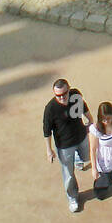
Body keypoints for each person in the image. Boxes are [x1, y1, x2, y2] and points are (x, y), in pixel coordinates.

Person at [43, 79, 93, 214]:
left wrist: (90, 121)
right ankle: (73, 198)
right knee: (69, 174)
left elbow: (84, 108)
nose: (61, 97)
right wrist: (49, 150)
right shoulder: (50, 109)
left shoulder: (76, 95)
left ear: (69, 89)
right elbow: (47, 131)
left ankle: (78, 159)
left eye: (64, 93)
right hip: (65, 147)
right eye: (57, 95)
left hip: (81, 137)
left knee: (87, 156)